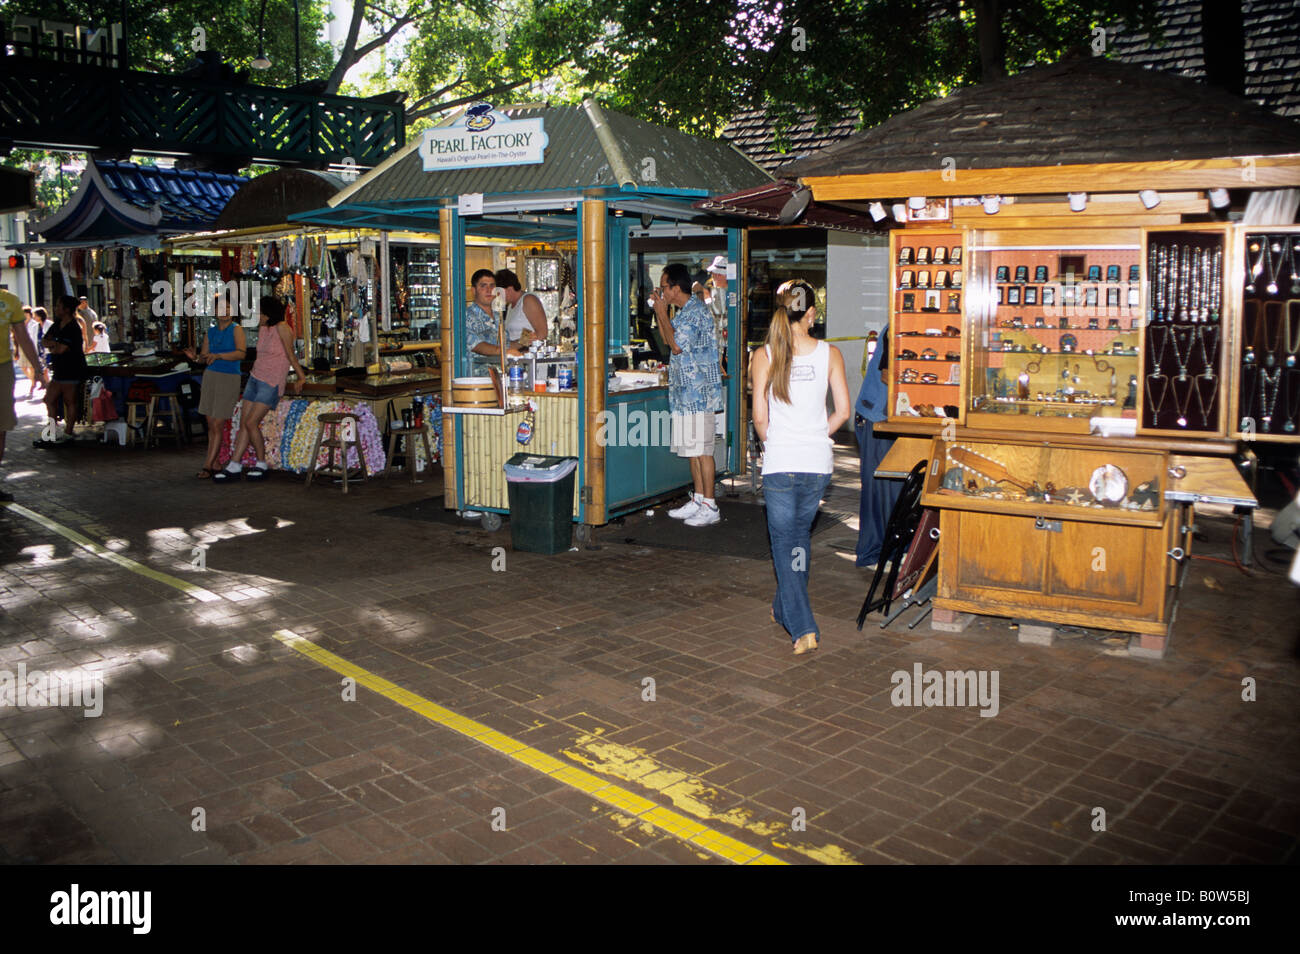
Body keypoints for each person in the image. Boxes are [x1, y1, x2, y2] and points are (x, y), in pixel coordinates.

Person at [750, 279, 851, 655]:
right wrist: (815, 435)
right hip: (816, 465)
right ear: (810, 313)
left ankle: (803, 626)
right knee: (798, 538)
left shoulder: (765, 356)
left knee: (784, 542)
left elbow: (760, 416)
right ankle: (782, 607)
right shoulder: (831, 354)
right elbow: (842, 411)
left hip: (780, 462)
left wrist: (772, 443)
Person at [654, 263, 723, 527]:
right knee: (693, 451)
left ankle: (711, 504)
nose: (662, 292)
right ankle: (699, 499)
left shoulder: (696, 312)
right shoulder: (683, 312)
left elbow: (677, 346)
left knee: (703, 451)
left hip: (698, 392)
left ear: (675, 287)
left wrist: (661, 311)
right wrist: (662, 314)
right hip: (684, 393)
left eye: (664, 287)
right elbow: (667, 339)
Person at [213, 297, 305, 482]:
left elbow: (290, 355)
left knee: (251, 423)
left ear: (268, 313)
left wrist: (301, 376)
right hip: (255, 377)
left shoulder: (283, 328)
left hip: (271, 381)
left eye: (260, 312)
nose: (257, 316)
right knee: (244, 422)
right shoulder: (264, 329)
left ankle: (261, 462)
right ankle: (235, 464)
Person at [855, 325, 902, 567]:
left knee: (895, 490)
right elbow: (888, 374)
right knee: (878, 492)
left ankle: (893, 551)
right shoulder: (897, 326)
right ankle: (872, 554)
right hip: (876, 417)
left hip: (893, 418)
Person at [185, 293, 246, 479]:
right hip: (211, 376)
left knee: (218, 423)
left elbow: (241, 353)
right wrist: (195, 358)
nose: (224, 311)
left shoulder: (237, 329)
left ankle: (208, 465)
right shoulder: (210, 332)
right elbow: (204, 357)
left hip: (229, 377)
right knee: (210, 423)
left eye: (228, 307)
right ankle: (216, 462)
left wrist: (219, 356)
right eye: (220, 308)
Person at [0, 290, 49, 501]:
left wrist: (38, 369)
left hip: (2, 368)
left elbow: (23, 336)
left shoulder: (9, 300)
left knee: (1, 427)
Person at [40, 295, 89, 442]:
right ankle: (53, 430)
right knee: (49, 399)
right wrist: (55, 343)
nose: (56, 309)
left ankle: (68, 432)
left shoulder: (73, 327)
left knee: (70, 401)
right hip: (59, 369)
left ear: (66, 309)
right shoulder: (57, 324)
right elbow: (44, 341)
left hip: (72, 368)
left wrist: (53, 344)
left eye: (58, 306)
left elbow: (60, 349)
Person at [465, 269, 521, 374]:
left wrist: (526, 341)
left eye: (492, 286)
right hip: (479, 380)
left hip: (502, 377)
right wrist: (503, 352)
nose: (488, 290)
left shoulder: (498, 315)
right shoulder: (467, 316)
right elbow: (476, 345)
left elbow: (506, 345)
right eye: (483, 286)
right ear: (473, 290)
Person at [494, 268, 548, 348]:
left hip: (527, 353)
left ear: (509, 289)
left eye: (499, 293)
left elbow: (542, 333)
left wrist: (517, 344)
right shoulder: (510, 306)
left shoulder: (528, 300)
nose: (498, 296)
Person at [18, 306, 42, 399]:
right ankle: (33, 380)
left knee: (31, 368)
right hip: (21, 347)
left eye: (26, 313)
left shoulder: (34, 324)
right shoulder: (21, 324)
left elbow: (34, 337)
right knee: (23, 367)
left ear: (29, 314)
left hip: (31, 347)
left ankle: (32, 385)